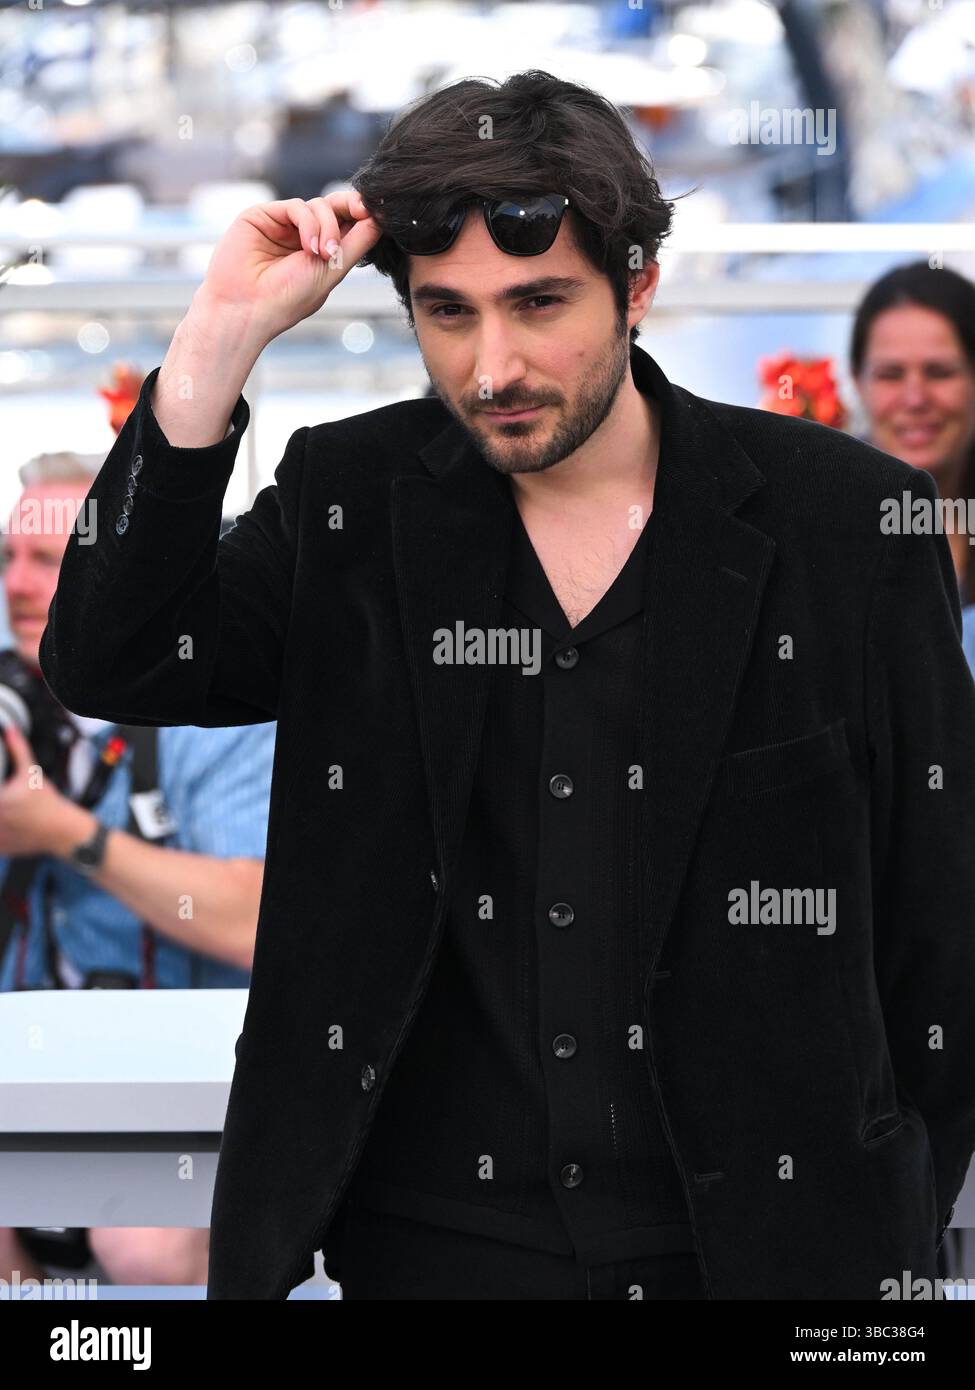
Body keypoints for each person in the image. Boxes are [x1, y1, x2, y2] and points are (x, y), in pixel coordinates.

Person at [37, 70, 975, 1301]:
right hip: (432, 1252)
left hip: (763, 1255)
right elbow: (114, 655)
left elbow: (941, 915)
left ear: (638, 283)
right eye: (448, 313)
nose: (494, 367)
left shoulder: (845, 522)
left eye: (540, 304)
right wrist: (215, 344)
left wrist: (888, 1203)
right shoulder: (353, 501)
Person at [0, 449, 276, 1286]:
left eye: (46, 561)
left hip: (180, 1082)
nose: (16, 584)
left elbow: (257, 921)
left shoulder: (215, 713)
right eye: (7, 557)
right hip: (28, 1073)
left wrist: (65, 833)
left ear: (109, 572)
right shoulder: (14, 711)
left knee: (142, 1249)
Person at [850, 261, 975, 672]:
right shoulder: (811, 526)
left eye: (939, 372)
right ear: (858, 383)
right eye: (890, 374)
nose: (915, 398)